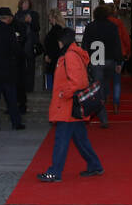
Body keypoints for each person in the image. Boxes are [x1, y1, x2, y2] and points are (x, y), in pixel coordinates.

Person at [37, 27, 104, 182]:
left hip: (67, 106)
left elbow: (78, 82)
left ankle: (54, 172)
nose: (58, 45)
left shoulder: (69, 56)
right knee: (80, 139)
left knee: (61, 140)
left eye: (59, 42)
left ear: (63, 42)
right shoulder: (73, 54)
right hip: (71, 106)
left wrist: (63, 94)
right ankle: (94, 165)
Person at [0, 7, 25, 131]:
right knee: (11, 98)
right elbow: (16, 50)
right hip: (7, 70)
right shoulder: (10, 32)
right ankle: (16, 122)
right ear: (7, 18)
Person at [81, 4, 121, 125]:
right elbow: (117, 45)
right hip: (109, 60)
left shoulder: (90, 27)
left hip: (96, 60)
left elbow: (85, 45)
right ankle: (105, 97)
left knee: (97, 87)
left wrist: (84, 60)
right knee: (106, 83)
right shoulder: (113, 27)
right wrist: (119, 62)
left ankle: (103, 116)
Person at [15, 0, 40, 102]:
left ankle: (29, 88)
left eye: (26, 3)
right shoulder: (17, 15)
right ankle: (21, 87)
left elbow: (37, 28)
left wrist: (30, 21)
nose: (25, 5)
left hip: (30, 43)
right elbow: (15, 28)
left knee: (30, 66)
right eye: (23, 3)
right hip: (20, 44)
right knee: (20, 67)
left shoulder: (33, 14)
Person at [42, 8, 68, 93]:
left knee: (54, 84)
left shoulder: (55, 30)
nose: (49, 19)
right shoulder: (60, 29)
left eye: (50, 17)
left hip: (54, 60)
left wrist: (48, 55)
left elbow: (53, 46)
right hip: (56, 59)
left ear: (54, 18)